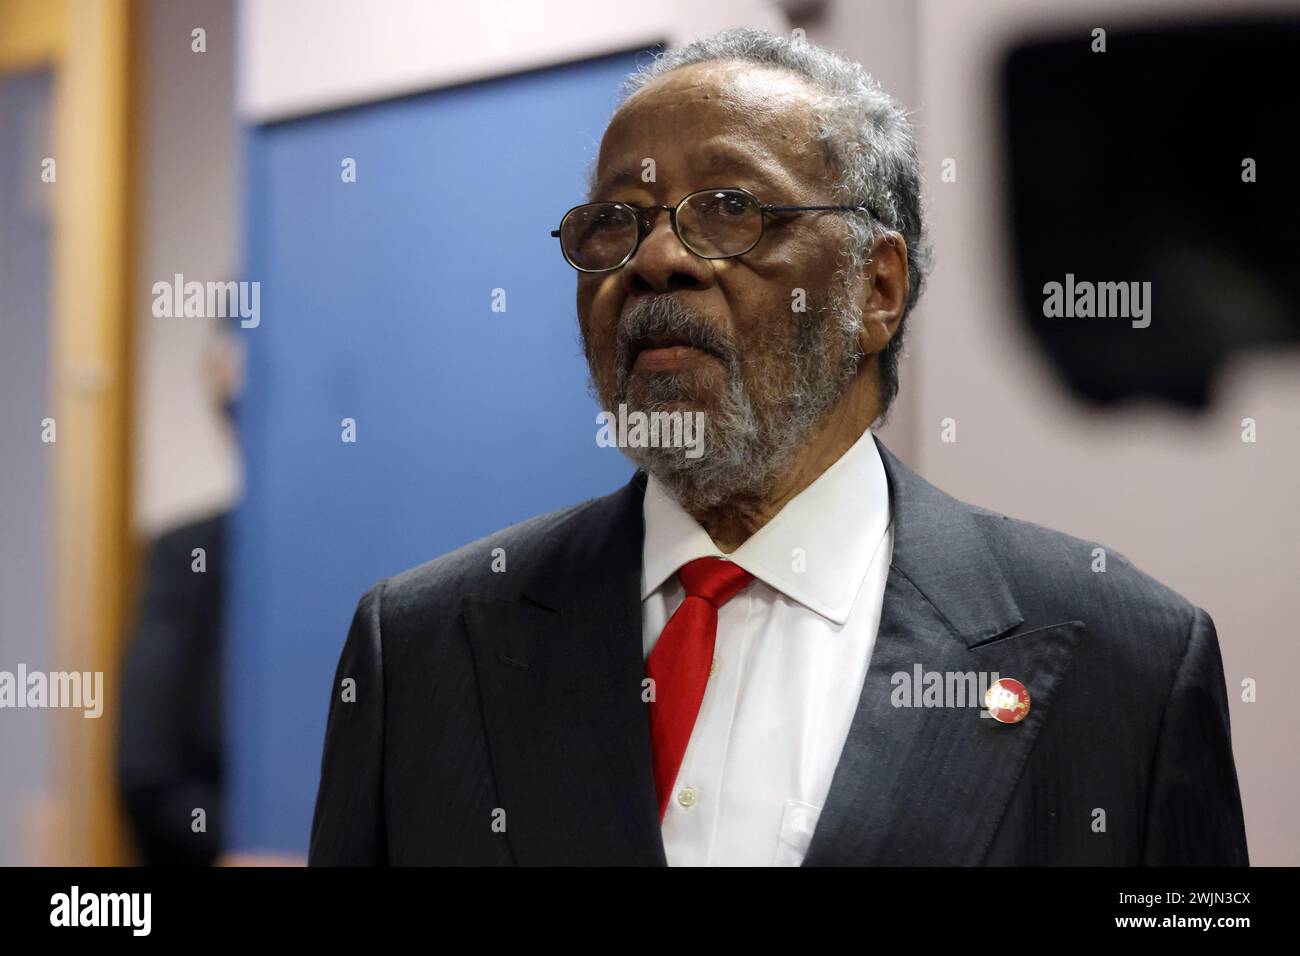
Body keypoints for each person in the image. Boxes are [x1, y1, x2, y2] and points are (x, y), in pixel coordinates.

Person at [308, 27, 1248, 866]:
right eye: (613, 222)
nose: (653, 260)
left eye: (729, 207)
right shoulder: (422, 650)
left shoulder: (1125, 666)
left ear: (876, 289)